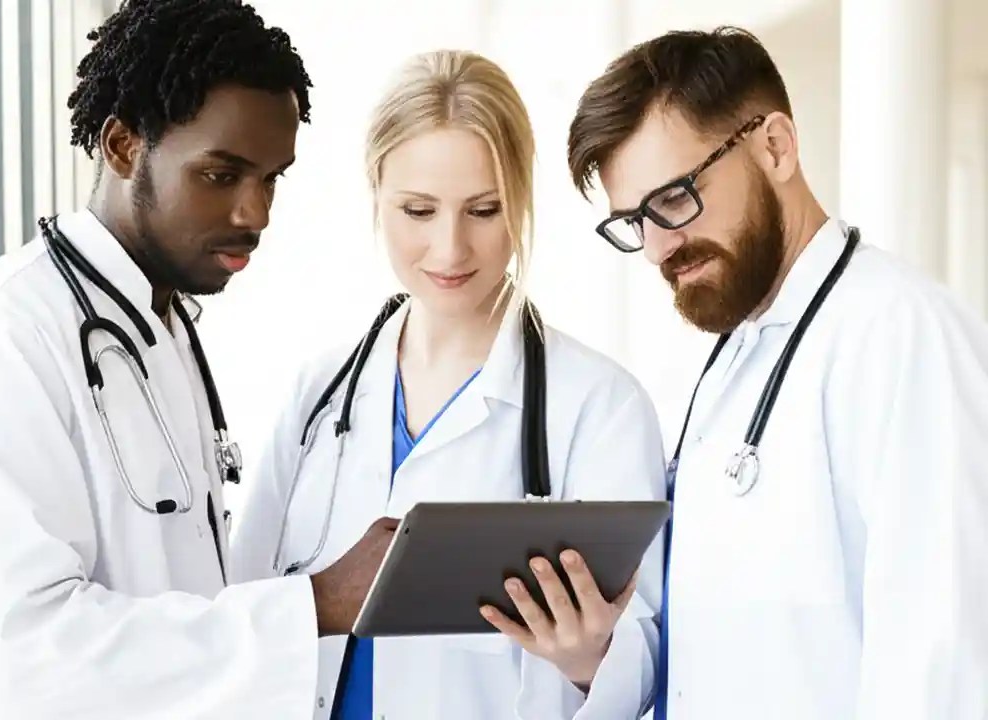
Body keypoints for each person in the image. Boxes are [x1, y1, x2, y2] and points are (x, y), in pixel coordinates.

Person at [0, 2, 396, 718]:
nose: (257, 214)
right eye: (222, 175)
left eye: (272, 178)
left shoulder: (163, 327)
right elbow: (24, 652)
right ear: (123, 145)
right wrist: (316, 602)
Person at [566, 25, 988, 720]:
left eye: (673, 197)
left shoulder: (904, 338)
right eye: (635, 222)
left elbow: (942, 669)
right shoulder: (730, 355)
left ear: (775, 147)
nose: (658, 248)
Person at [230, 49, 667, 720]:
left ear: (520, 197)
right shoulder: (320, 396)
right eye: (418, 210)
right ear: (376, 190)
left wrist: (590, 660)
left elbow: (644, 659)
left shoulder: (599, 408)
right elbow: (245, 612)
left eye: (484, 210)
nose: (450, 249)